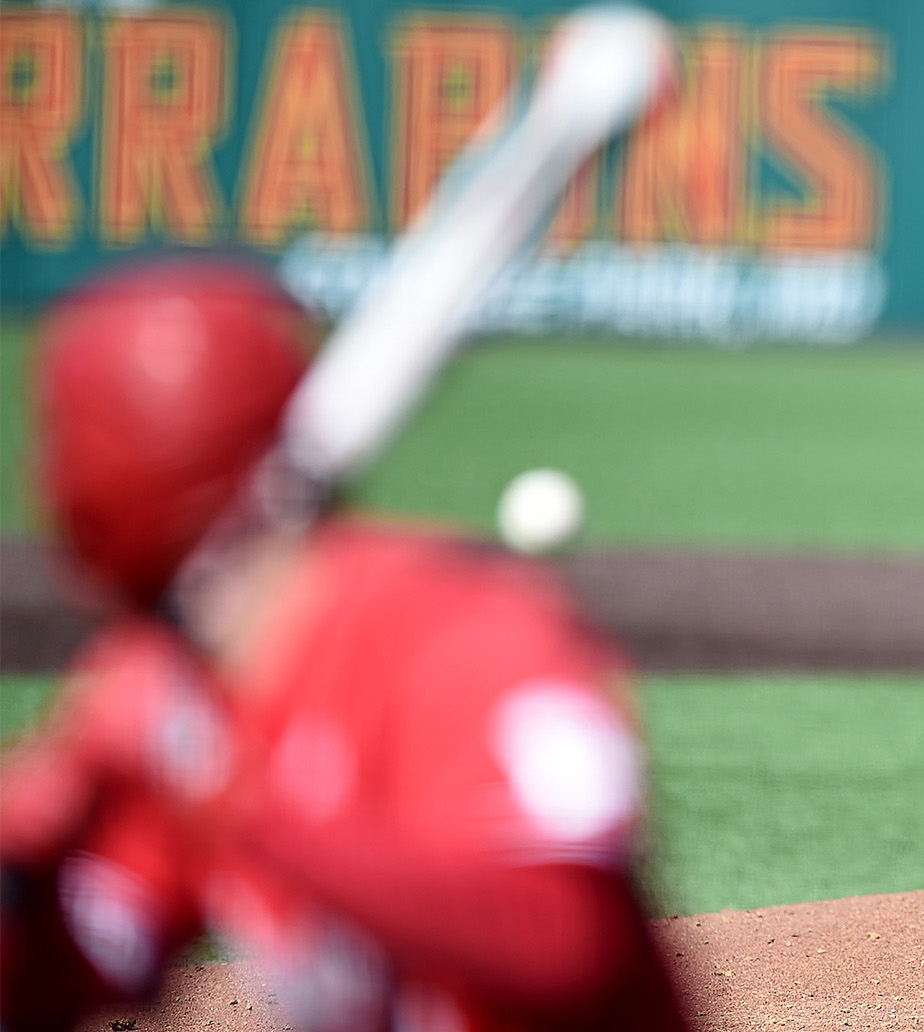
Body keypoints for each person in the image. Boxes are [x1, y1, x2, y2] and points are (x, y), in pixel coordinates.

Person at [0, 256, 690, 1032]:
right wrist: (24, 880)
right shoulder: (166, 687)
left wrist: (232, 799)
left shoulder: (465, 634)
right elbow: (104, 958)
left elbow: (566, 940)